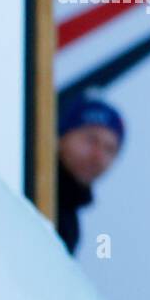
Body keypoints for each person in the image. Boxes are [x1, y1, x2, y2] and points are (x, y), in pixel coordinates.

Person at [56, 95, 124, 255]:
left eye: (109, 149)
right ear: (61, 137)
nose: (98, 155)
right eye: (91, 140)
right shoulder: (24, 182)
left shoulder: (69, 220)